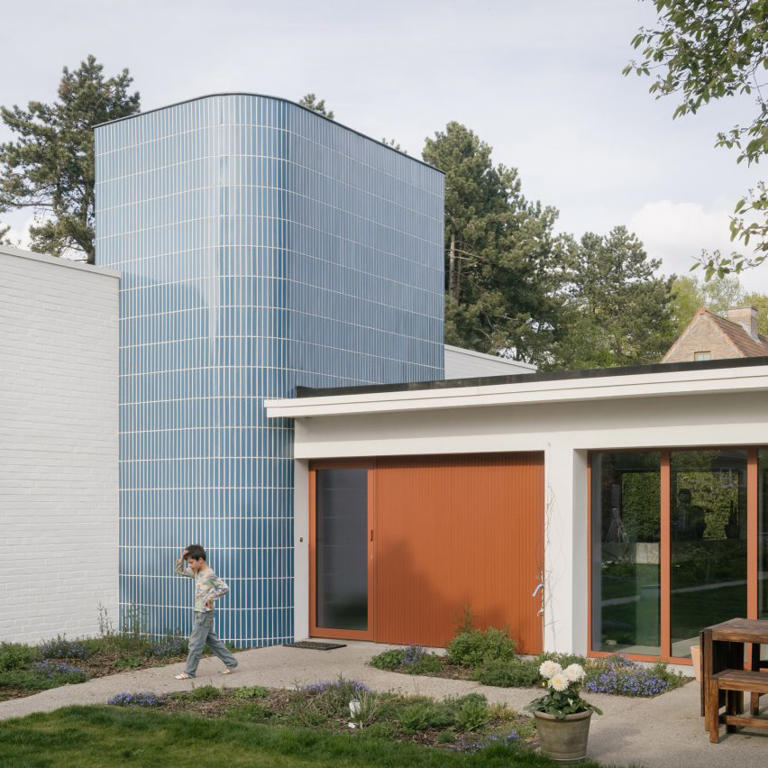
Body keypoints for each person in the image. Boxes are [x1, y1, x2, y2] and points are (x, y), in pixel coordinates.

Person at [173, 544, 238, 679]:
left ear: (200, 560)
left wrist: (211, 598)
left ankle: (189, 672)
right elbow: (180, 572)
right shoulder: (196, 571)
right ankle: (231, 662)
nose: (189, 565)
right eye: (188, 562)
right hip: (199, 611)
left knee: (195, 642)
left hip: (204, 612)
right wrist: (181, 560)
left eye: (191, 562)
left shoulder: (209, 574)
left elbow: (224, 588)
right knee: (212, 640)